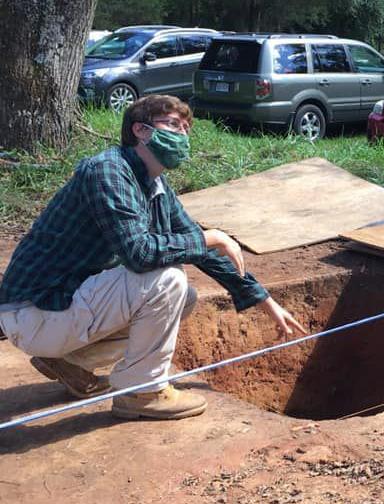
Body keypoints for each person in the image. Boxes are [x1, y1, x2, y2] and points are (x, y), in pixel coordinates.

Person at [0, 95, 307, 420]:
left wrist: (265, 301)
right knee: (167, 280)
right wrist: (210, 237)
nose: (182, 135)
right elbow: (140, 253)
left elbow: (204, 251)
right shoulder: (108, 171)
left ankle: (70, 362)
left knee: (184, 297)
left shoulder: (155, 185)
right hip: (34, 312)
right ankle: (142, 391)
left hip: (60, 308)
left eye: (186, 128)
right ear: (140, 131)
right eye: (173, 125)